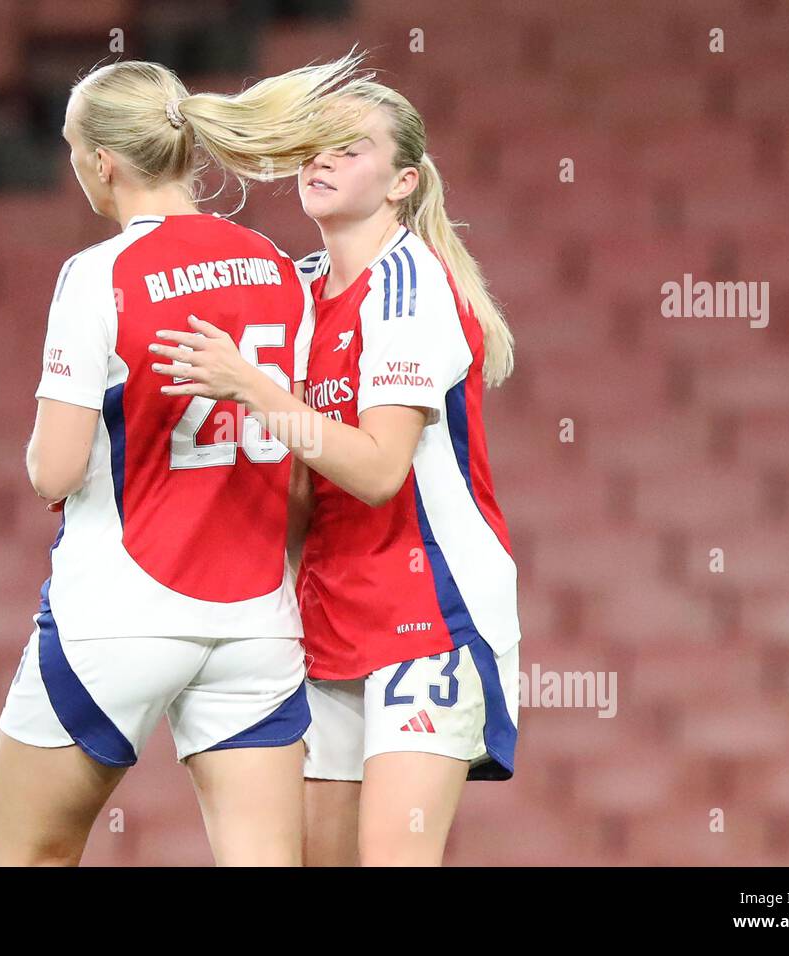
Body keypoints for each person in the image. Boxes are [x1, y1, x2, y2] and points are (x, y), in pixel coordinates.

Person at [0, 54, 372, 866]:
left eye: (70, 149)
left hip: (119, 609)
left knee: (29, 854)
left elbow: (53, 473)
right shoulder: (276, 266)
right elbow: (299, 468)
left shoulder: (97, 276)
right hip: (254, 618)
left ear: (103, 162)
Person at [149, 79, 521, 866]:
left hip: (429, 616)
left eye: (351, 150)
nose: (322, 162)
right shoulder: (300, 287)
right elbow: (297, 473)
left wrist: (249, 383)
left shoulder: (408, 287)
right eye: (315, 145)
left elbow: (381, 470)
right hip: (327, 611)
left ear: (402, 182)